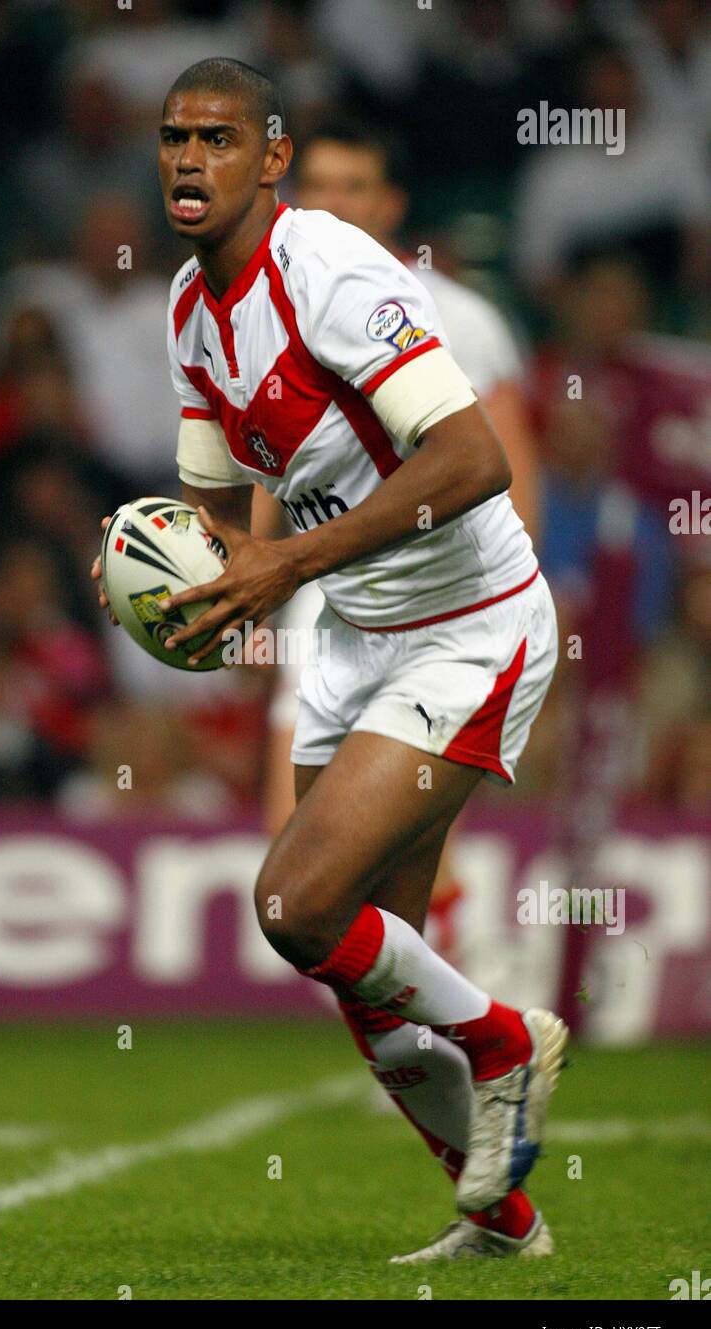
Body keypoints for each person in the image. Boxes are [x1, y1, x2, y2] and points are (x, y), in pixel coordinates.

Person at [91, 58, 567, 1262]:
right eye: (171, 137)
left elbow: (473, 462)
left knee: (293, 906)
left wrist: (286, 567)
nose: (187, 157)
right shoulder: (190, 310)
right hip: (356, 636)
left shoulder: (335, 275)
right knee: (371, 974)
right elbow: (211, 517)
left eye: (215, 135)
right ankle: (500, 1221)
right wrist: (154, 573)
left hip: (468, 626)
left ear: (270, 156)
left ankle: (506, 1039)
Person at [262, 121, 541, 962]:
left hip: (446, 588)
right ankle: (445, 1014)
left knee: (386, 841)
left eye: (354, 186)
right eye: (320, 185)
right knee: (296, 843)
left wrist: (512, 599)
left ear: (390, 204)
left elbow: (506, 461)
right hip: (321, 582)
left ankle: (446, 1010)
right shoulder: (271, 305)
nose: (334, 203)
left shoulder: (459, 316)